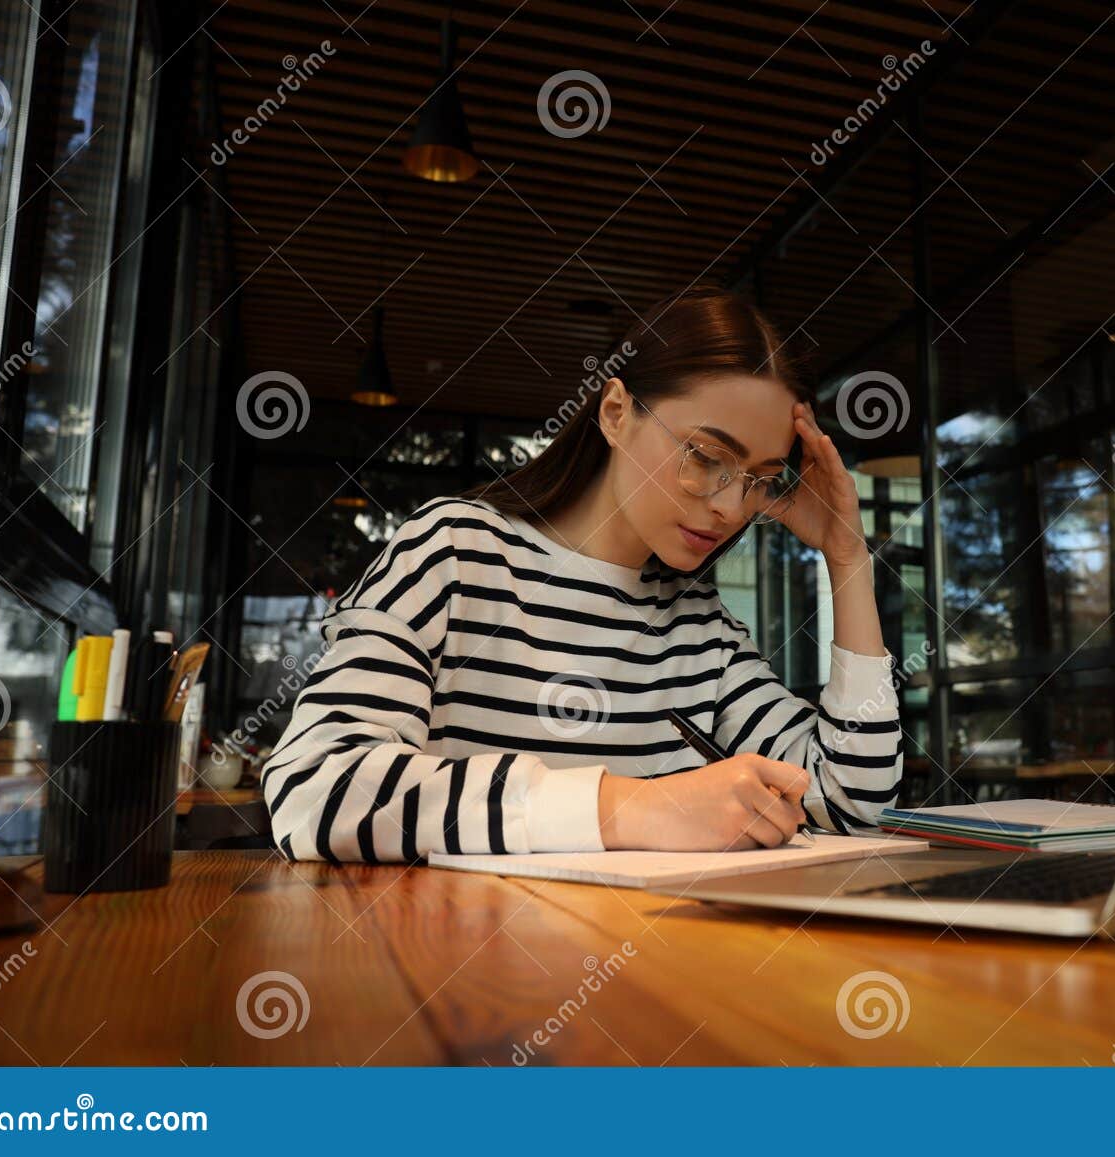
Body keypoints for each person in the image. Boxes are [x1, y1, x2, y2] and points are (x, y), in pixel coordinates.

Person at [262, 286, 903, 863]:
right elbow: (314, 786)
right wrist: (639, 809)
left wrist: (847, 560)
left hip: (649, 976)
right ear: (616, 412)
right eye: (707, 457)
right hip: (449, 974)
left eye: (760, 479)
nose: (730, 506)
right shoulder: (454, 552)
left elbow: (852, 802)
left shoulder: (700, 630)